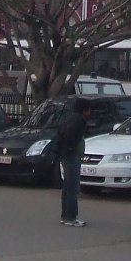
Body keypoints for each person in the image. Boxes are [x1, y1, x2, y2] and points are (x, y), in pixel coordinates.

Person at [52, 97, 91, 227]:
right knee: (73, 187)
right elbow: (70, 137)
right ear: (84, 110)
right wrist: (71, 149)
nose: (90, 113)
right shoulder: (79, 121)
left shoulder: (69, 118)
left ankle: (65, 216)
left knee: (67, 186)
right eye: (89, 110)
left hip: (65, 155)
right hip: (71, 156)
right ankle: (71, 217)